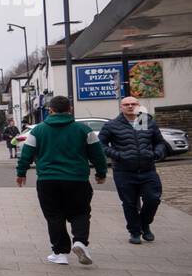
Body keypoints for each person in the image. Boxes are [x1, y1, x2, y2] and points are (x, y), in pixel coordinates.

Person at [16, 94, 108, 265]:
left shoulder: (37, 130)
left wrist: (21, 173)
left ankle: (60, 253)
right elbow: (98, 155)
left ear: (50, 110)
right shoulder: (84, 130)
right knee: (80, 212)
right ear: (70, 109)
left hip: (48, 180)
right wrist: (101, 173)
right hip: (77, 179)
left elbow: (26, 154)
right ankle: (80, 241)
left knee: (54, 215)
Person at [98, 96, 168, 244]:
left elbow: (159, 142)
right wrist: (118, 155)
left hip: (148, 170)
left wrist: (157, 153)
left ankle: (145, 224)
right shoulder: (113, 125)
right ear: (121, 107)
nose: (130, 106)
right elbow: (101, 144)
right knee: (129, 203)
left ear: (138, 105)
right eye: (126, 104)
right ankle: (135, 232)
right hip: (124, 171)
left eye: (133, 104)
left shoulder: (145, 121)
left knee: (153, 199)